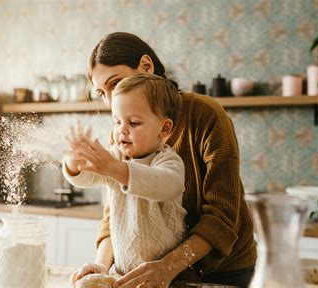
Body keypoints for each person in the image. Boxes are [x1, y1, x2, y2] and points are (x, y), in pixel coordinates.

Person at [73, 32, 257, 287]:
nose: (110, 101)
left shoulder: (206, 115)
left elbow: (223, 214)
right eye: (102, 93)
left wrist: (170, 266)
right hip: (153, 273)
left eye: (115, 84)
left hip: (224, 271)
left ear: (147, 67)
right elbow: (114, 213)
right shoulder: (121, 134)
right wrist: (102, 264)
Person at [63, 73, 187, 280]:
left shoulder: (168, 161)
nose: (122, 130)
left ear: (164, 128)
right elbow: (85, 178)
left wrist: (115, 168)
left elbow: (164, 184)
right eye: (117, 121)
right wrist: (74, 163)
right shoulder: (116, 158)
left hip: (166, 278)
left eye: (134, 123)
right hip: (122, 275)